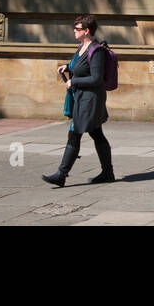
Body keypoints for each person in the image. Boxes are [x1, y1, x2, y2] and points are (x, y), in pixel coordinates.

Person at [42, 15, 113, 187]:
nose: (74, 30)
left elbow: (96, 78)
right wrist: (68, 66)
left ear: (87, 31)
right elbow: (80, 65)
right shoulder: (82, 47)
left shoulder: (96, 51)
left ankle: (61, 174)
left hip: (90, 100)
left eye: (78, 28)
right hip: (82, 98)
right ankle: (108, 172)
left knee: (74, 133)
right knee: (97, 133)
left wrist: (74, 81)